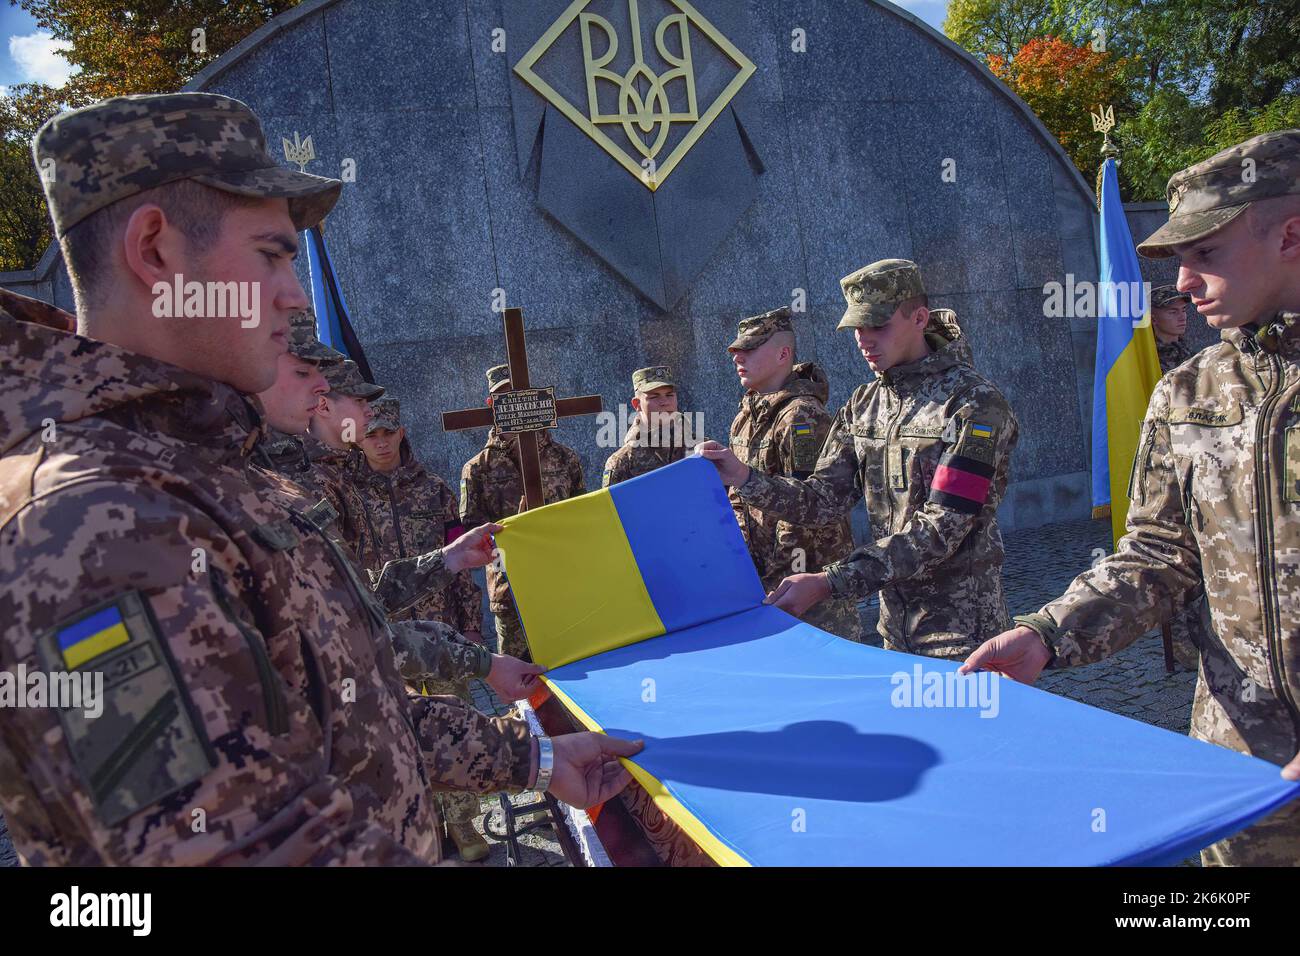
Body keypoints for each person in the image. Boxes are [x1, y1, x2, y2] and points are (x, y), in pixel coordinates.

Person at [0, 92, 641, 865]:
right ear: (156, 252)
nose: (296, 294)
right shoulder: (90, 517)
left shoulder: (203, 469)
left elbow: (348, 707)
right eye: (271, 253)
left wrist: (533, 758)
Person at [960, 129, 1300, 866]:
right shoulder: (1189, 391)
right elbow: (1156, 554)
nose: (1181, 282)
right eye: (1177, 258)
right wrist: (1046, 634)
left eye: (1204, 252)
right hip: (1240, 768)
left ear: (1291, 234)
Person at [700, 261, 1019, 660]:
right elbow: (822, 500)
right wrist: (744, 476)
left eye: (878, 326)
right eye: (857, 328)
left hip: (964, 637)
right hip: (896, 632)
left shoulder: (974, 406)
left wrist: (830, 582)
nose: (864, 340)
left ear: (919, 318)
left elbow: (943, 529)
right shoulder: (865, 404)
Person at [354, 397, 491, 861]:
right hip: (382, 633)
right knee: (398, 730)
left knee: (454, 721)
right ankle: (424, 820)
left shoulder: (434, 491)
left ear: (402, 431)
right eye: (371, 433)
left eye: (387, 432)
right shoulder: (346, 495)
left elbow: (461, 565)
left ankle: (464, 821)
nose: (381, 441)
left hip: (440, 629)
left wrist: (470, 627)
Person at [723, 307, 860, 641]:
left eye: (749, 349)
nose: (738, 357)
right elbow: (738, 498)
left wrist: (774, 576)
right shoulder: (748, 414)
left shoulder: (801, 417)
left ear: (783, 354)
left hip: (804, 589)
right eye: (736, 351)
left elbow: (806, 509)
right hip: (765, 584)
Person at [460, 365, 586, 661]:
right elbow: (469, 534)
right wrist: (511, 529)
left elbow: (582, 516)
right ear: (491, 405)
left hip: (563, 583)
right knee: (521, 678)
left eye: (520, 395)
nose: (515, 403)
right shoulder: (477, 469)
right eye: (505, 397)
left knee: (575, 665)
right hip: (510, 590)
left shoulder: (564, 458)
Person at [602, 366, 693, 487]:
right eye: (654, 397)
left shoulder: (699, 449)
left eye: (669, 395)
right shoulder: (623, 462)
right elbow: (613, 505)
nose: (665, 402)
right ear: (637, 404)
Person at [1151, 284, 1196, 373]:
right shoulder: (1149, 358)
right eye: (1173, 312)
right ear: (1153, 318)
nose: (1182, 317)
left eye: (1183, 310)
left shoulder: (1190, 355)